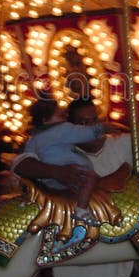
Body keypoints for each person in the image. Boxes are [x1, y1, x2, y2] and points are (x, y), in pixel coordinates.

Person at [13, 97, 136, 277]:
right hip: (76, 268)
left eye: (94, 120)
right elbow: (21, 163)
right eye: (83, 122)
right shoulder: (58, 149)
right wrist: (55, 172)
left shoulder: (122, 145)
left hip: (119, 261)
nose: (90, 127)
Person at [23, 97, 106, 249]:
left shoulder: (34, 138)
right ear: (46, 119)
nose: (63, 118)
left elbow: (28, 153)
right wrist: (102, 128)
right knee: (93, 178)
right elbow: (83, 134)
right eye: (60, 115)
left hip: (51, 181)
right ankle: (81, 209)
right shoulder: (63, 129)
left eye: (95, 119)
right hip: (70, 169)